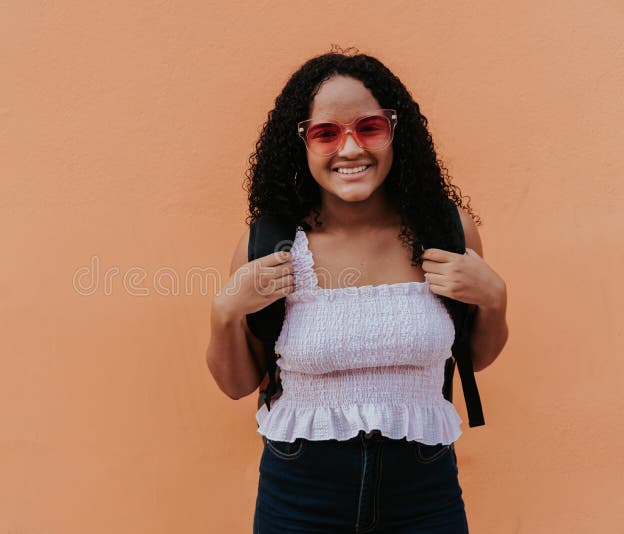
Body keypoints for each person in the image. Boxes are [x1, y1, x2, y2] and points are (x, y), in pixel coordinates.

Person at [206, 46, 509, 533]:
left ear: (395, 131)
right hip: (299, 497)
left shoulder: (446, 231)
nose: (350, 150)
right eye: (326, 133)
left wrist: (495, 299)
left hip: (425, 495)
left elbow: (475, 355)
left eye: (369, 127)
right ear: (301, 143)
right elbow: (238, 384)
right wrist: (225, 312)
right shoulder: (270, 246)